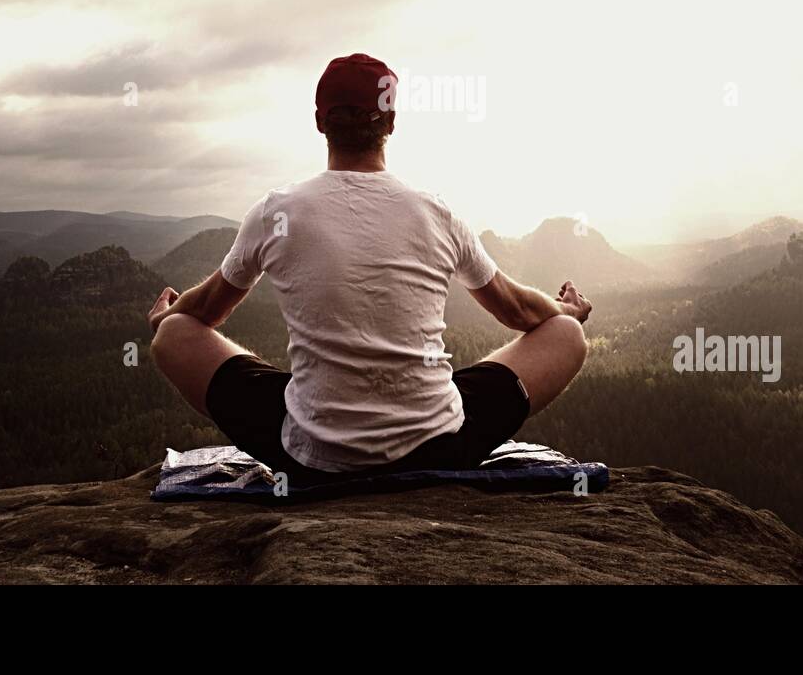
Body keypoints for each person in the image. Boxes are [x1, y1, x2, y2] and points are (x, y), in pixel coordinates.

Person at [148, 52, 591, 489]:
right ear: (391, 123)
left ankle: (326, 416)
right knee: (566, 335)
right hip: (440, 446)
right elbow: (516, 310)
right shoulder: (435, 212)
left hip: (311, 459)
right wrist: (563, 310)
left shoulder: (277, 212)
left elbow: (207, 311)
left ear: (321, 122)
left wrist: (168, 316)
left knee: (173, 336)